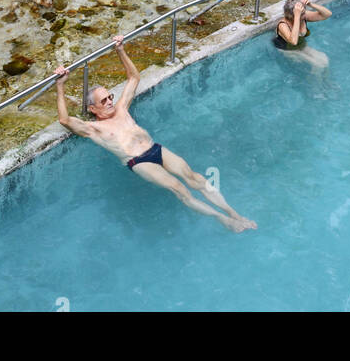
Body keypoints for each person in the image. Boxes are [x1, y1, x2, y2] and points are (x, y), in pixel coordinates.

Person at [54, 36, 256, 233]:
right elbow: (65, 120)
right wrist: (60, 85)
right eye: (103, 101)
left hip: (155, 149)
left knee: (195, 178)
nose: (109, 102)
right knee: (179, 188)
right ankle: (222, 219)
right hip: (139, 161)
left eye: (109, 97)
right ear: (92, 109)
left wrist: (120, 50)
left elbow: (134, 78)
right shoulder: (94, 129)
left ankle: (234, 213)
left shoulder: (122, 108)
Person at [273, 0, 332, 68]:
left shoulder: (303, 16)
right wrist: (297, 15)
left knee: (324, 59)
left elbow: (327, 14)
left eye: (304, 12)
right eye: (302, 13)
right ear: (292, 15)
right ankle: (314, 79)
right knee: (317, 64)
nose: (305, 15)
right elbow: (294, 41)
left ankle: (326, 79)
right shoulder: (283, 25)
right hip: (287, 50)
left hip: (301, 46)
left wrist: (311, 4)